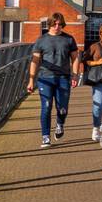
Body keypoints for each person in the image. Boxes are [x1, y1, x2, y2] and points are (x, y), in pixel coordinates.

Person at [27, 12, 80, 148]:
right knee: (46, 107)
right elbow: (35, 61)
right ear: (49, 24)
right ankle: (45, 136)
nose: (57, 26)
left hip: (63, 78)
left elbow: (75, 58)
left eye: (60, 24)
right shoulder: (41, 40)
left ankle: (60, 124)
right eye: (54, 24)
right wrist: (31, 80)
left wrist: (75, 75)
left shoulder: (69, 39)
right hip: (45, 78)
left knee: (62, 108)